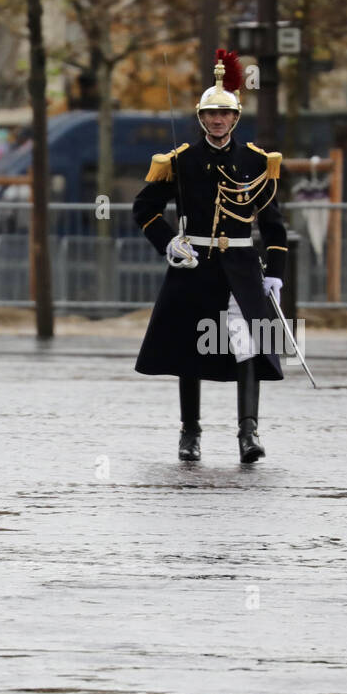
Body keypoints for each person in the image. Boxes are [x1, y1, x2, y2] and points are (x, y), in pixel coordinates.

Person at [132, 49, 287, 463]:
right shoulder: (181, 161)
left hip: (241, 268)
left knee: (247, 344)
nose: (218, 120)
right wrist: (169, 242)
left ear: (235, 118)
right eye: (211, 114)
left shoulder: (256, 161)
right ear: (201, 118)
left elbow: (273, 224)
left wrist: (275, 272)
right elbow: (144, 208)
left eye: (224, 114)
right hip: (195, 266)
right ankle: (190, 433)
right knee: (190, 347)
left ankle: (248, 433)